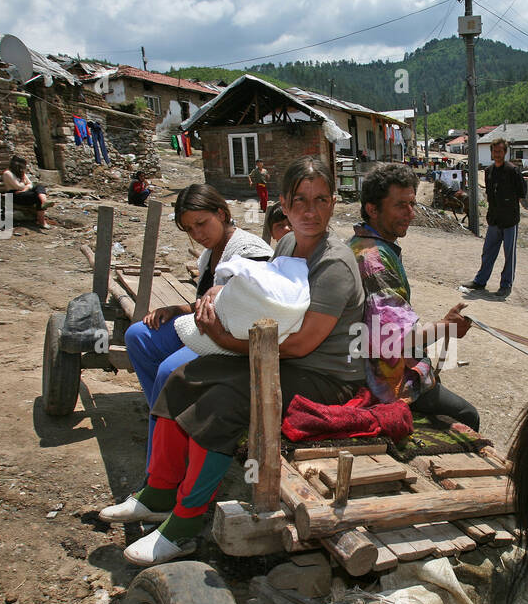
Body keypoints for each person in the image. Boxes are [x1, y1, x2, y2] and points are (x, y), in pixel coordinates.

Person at [104, 157, 366, 566]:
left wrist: (224, 338)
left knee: (223, 402)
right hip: (281, 356)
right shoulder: (287, 244)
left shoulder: (334, 264)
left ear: (333, 203)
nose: (309, 211)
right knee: (183, 374)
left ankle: (186, 524)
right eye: (299, 200)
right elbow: (260, 299)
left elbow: (301, 345)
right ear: (282, 203)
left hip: (324, 375)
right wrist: (215, 298)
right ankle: (158, 492)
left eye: (320, 200)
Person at [122, 185, 272, 464]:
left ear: (222, 213)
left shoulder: (250, 251)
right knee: (138, 336)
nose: (197, 234)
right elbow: (208, 299)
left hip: (231, 339)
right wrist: (178, 309)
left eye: (202, 224)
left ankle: (162, 467)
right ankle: (168, 418)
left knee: (169, 371)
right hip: (204, 328)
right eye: (190, 229)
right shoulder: (210, 253)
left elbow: (252, 305)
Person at [350, 163, 479, 429]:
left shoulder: (366, 244)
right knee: (467, 416)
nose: (410, 213)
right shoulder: (374, 259)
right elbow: (394, 339)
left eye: (412, 204)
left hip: (379, 361)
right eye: (400, 205)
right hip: (384, 382)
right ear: (372, 209)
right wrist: (446, 328)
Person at [462, 138, 525, 298]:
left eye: (500, 151)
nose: (497, 154)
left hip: (510, 220)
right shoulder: (489, 171)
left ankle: (506, 285)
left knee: (509, 254)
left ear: (505, 152)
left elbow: (521, 194)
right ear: (491, 152)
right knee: (488, 252)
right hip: (494, 219)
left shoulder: (513, 171)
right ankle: (480, 281)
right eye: (494, 151)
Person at [1, 156, 51, 229]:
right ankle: (42, 221)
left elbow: (30, 184)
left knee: (39, 186)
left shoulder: (21, 173)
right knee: (37, 197)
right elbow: (19, 186)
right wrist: (25, 185)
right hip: (14, 195)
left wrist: (25, 188)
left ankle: (44, 202)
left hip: (23, 192)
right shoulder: (7, 173)